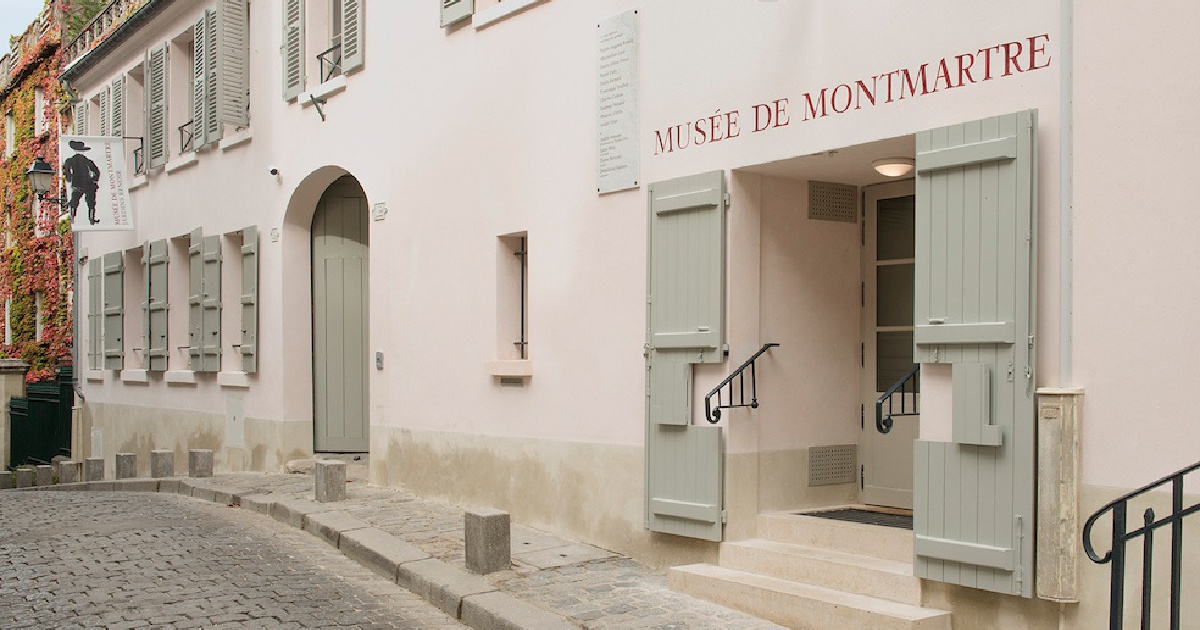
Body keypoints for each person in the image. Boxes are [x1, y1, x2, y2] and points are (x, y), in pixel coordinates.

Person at [62, 140, 101, 225]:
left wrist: (70, 179)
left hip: (79, 184)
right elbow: (96, 171)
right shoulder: (86, 161)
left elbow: (68, 174)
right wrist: (94, 180)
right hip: (86, 184)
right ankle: (90, 218)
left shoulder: (71, 161)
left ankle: (77, 218)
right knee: (87, 201)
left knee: (76, 201)